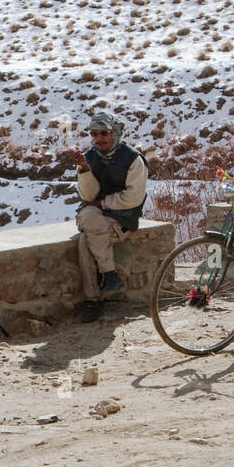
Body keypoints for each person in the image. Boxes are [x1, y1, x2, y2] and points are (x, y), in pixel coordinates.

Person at [75, 111, 148, 323]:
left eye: (104, 133)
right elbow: (87, 196)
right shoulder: (88, 157)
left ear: (114, 133)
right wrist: (85, 170)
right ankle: (110, 276)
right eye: (94, 134)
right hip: (98, 218)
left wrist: (102, 203)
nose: (99, 139)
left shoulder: (133, 159)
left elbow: (133, 197)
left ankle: (93, 300)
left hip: (122, 219)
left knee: (85, 238)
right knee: (88, 222)